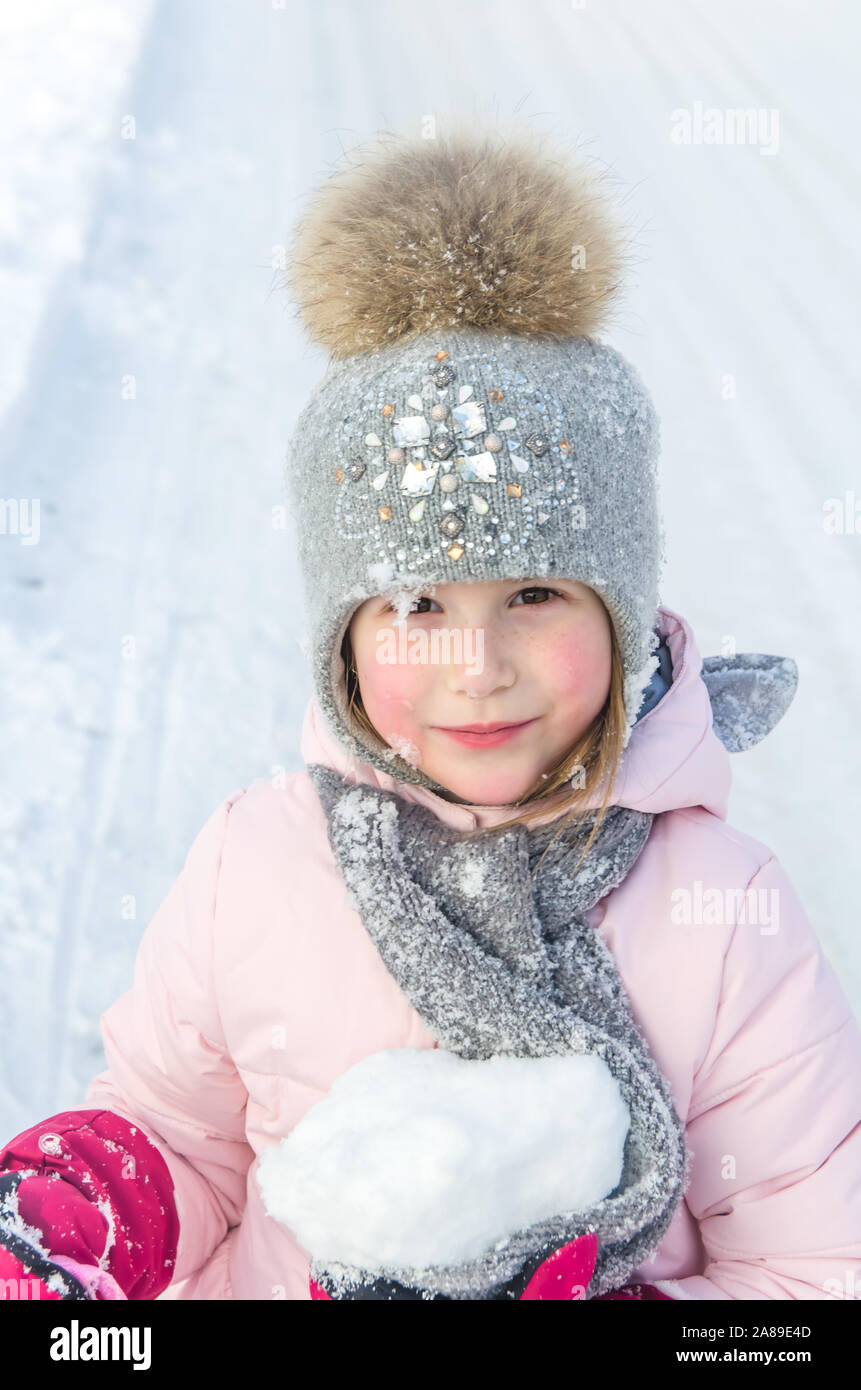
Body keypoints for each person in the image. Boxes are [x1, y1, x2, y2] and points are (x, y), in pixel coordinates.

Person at [1, 125, 859, 1302]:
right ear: (342, 645)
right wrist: (103, 1198)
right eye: (416, 603)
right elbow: (182, 1132)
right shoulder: (254, 864)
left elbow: (814, 1274)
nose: (477, 663)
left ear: (622, 609)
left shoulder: (726, 919)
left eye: (536, 593)